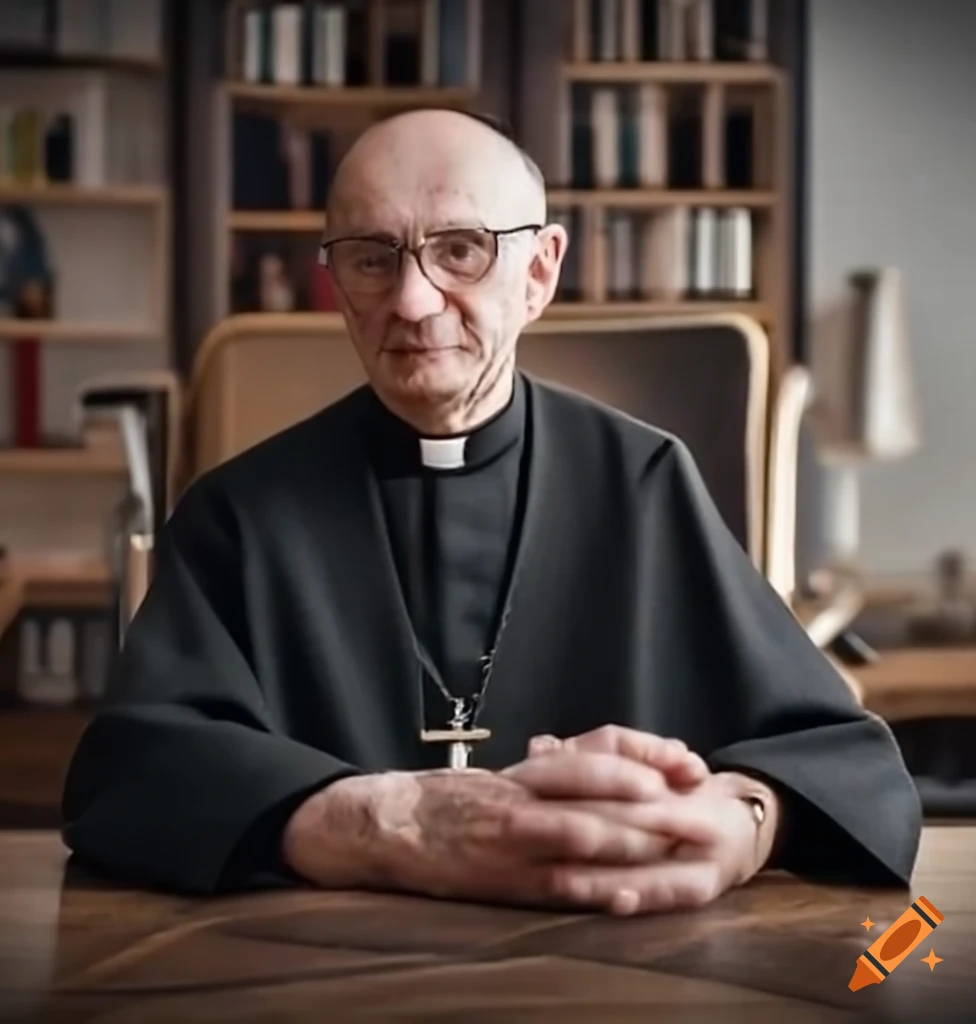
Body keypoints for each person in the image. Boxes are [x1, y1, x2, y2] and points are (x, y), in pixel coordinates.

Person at [61, 109, 922, 916]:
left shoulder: (645, 481)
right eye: (372, 257)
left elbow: (843, 763)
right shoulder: (240, 512)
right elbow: (129, 775)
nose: (412, 300)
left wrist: (744, 824)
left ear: (540, 272)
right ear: (336, 282)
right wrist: (378, 821)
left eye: (462, 251)